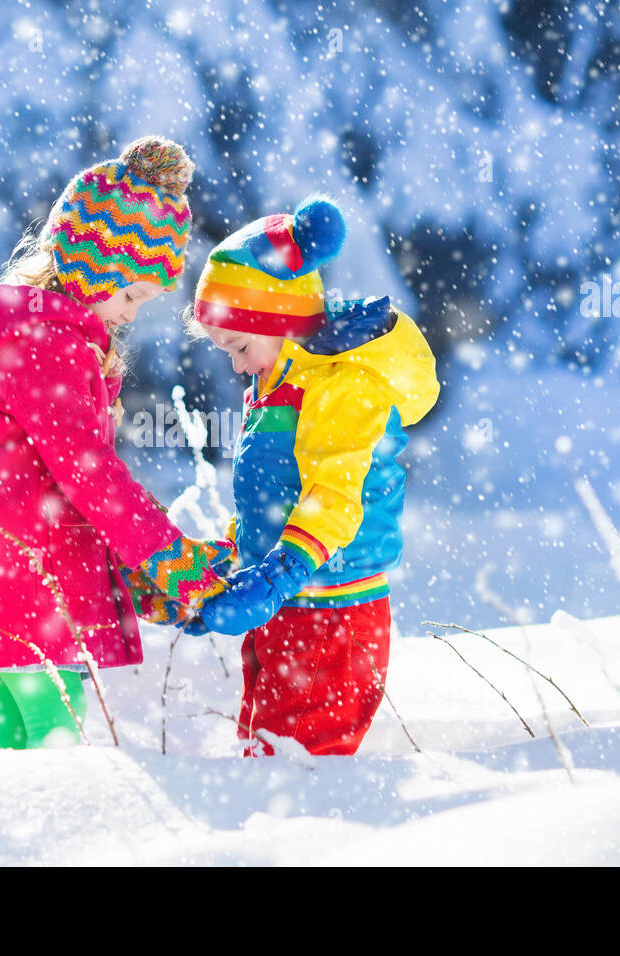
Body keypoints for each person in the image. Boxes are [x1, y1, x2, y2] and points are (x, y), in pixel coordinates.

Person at [0, 137, 227, 750]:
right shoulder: (49, 346)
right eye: (131, 295)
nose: (131, 316)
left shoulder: (16, 334)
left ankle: (12, 847)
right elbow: (89, 475)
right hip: (23, 588)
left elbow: (60, 478)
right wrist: (166, 556)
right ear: (94, 268)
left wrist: (135, 561)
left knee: (13, 752)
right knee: (56, 748)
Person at [186, 195, 441, 756]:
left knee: (301, 777)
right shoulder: (274, 389)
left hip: (333, 617)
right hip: (288, 605)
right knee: (262, 757)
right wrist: (228, 557)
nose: (236, 365)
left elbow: (333, 499)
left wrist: (275, 578)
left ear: (278, 321)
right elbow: (270, 499)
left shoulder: (338, 386)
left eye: (240, 346)